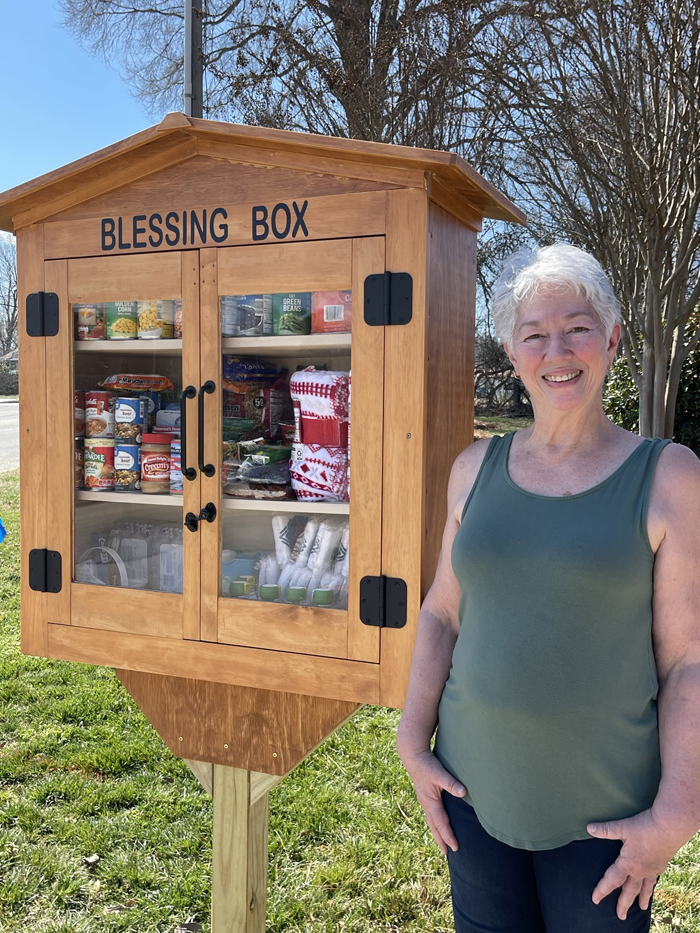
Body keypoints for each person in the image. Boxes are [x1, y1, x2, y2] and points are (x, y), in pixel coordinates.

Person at [396, 244, 700, 932]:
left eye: (577, 328)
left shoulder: (669, 476)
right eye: (534, 334)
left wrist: (679, 810)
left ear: (612, 339)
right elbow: (443, 612)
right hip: (472, 796)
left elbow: (687, 660)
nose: (556, 350)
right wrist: (412, 741)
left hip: (606, 820)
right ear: (512, 353)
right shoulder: (474, 467)